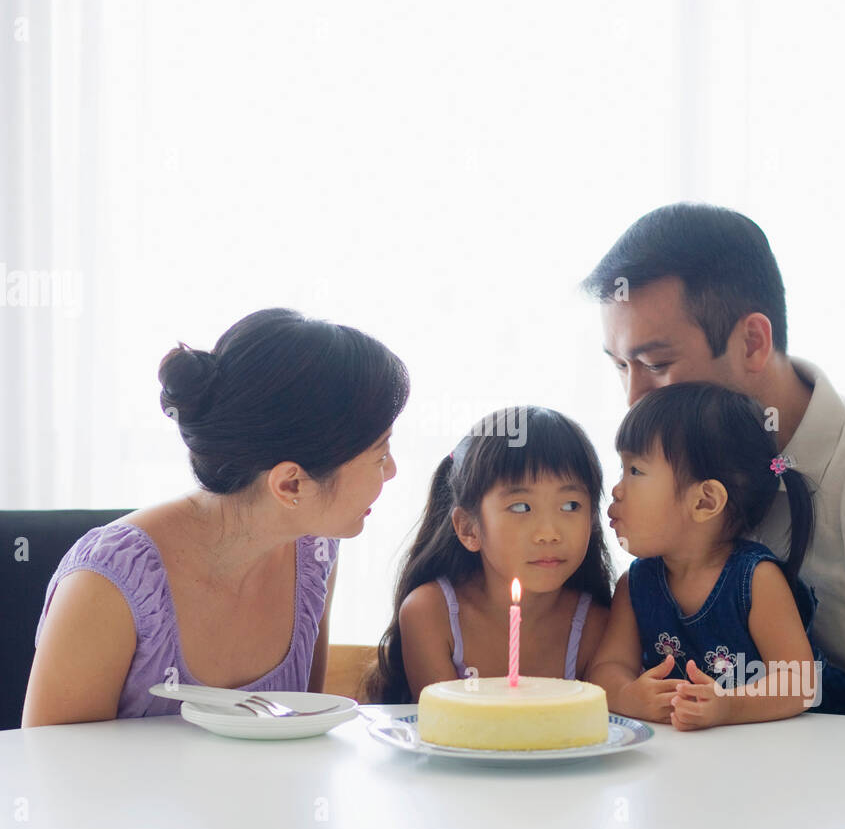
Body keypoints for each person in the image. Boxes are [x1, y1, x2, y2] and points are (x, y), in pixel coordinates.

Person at [581, 202, 845, 722]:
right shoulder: (662, 481)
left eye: (657, 364)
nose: (635, 398)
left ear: (752, 341)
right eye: (621, 367)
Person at [22, 308, 409, 724]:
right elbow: (50, 772)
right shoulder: (107, 584)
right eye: (380, 453)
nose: (392, 470)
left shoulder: (313, 549)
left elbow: (296, 730)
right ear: (290, 484)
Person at [590, 382, 845, 727]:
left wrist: (727, 706)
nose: (617, 489)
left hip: (807, 747)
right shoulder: (635, 584)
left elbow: (799, 684)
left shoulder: (754, 579)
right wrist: (627, 695)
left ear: (705, 501)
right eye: (622, 469)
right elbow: (606, 668)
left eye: (635, 471)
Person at [363, 406, 613, 702]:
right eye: (521, 507)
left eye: (571, 505)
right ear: (469, 528)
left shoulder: (597, 624)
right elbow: (447, 727)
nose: (549, 532)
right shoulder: (431, 614)